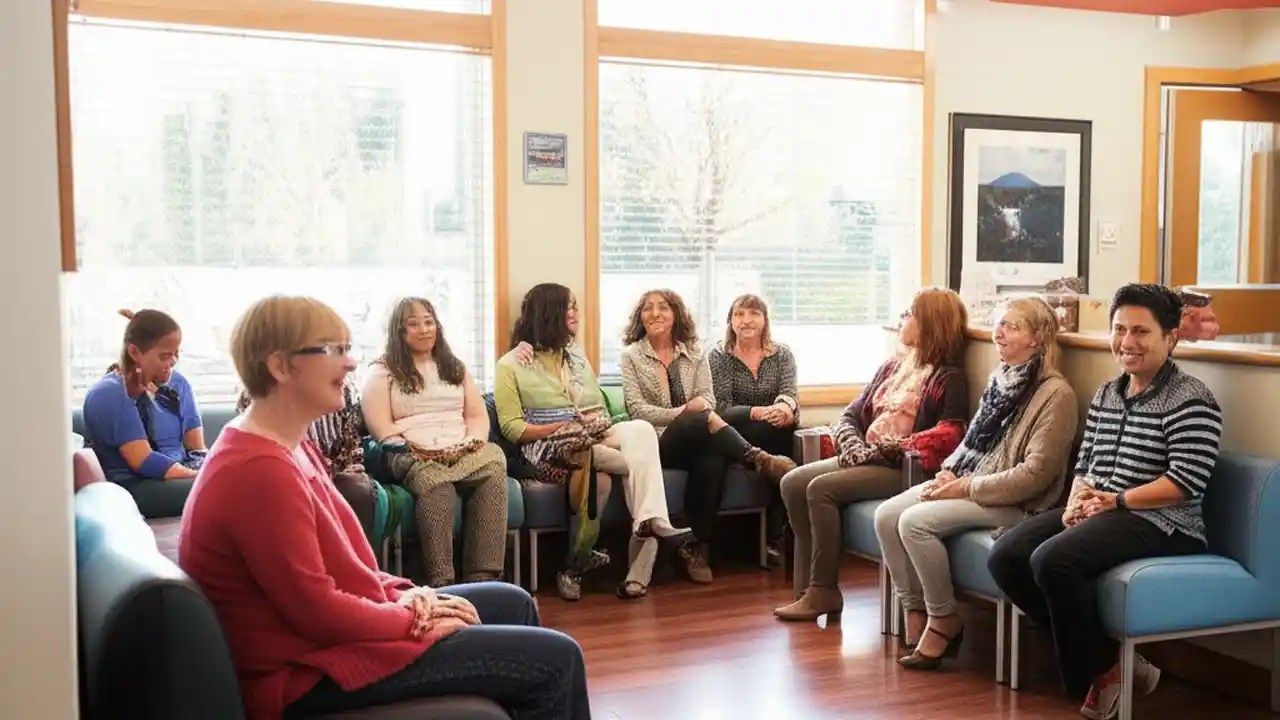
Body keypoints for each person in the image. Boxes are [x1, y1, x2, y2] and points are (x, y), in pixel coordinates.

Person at [178, 295, 588, 720]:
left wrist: (411, 595)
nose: (351, 363)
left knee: (513, 602)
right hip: (305, 672)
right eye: (332, 350)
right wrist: (410, 621)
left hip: (333, 640)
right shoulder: (257, 470)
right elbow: (317, 610)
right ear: (280, 366)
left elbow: (352, 569)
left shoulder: (292, 444)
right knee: (556, 659)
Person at [987, 284, 1223, 720]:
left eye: (1141, 331)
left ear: (1170, 338)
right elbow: (1088, 460)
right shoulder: (1107, 394)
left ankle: (1093, 677)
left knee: (1053, 560)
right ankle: (1111, 664)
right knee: (1006, 555)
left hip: (1164, 522)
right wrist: (1079, 496)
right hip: (1106, 507)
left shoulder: (1192, 397)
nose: (1126, 342)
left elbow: (1185, 482)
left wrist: (1114, 500)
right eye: (1119, 330)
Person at [873, 296, 1078, 669]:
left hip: (1015, 504)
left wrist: (964, 487)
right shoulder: (999, 379)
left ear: (1037, 338)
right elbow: (972, 443)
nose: (998, 332)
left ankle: (943, 619)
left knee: (914, 523)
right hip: (970, 481)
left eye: (1011, 326)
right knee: (887, 515)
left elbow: (1035, 476)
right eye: (999, 323)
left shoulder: (1056, 395)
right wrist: (951, 471)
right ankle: (914, 609)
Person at [774, 287, 970, 621]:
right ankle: (807, 585)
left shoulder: (948, 377)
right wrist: (852, 446)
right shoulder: (892, 367)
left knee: (820, 489)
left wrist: (890, 448)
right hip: (864, 456)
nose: (902, 319)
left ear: (931, 323)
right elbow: (851, 414)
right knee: (792, 481)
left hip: (901, 468)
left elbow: (951, 432)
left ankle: (823, 590)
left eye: (910, 313)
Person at [495, 283, 691, 601]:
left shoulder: (576, 358)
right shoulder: (511, 365)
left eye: (576, 307)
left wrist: (591, 421)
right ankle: (621, 543)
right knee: (618, 466)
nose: (575, 314)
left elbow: (595, 409)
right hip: (548, 445)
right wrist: (561, 425)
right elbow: (513, 428)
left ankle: (650, 522)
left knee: (640, 430)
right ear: (548, 313)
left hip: (592, 434)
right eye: (568, 307)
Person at [619, 289, 796, 584]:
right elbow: (638, 410)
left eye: (663, 307)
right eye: (648, 309)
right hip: (658, 440)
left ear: (676, 315)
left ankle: (696, 547)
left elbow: (709, 399)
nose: (655, 313)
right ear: (640, 317)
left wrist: (697, 412)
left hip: (699, 436)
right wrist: (684, 412)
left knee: (712, 459)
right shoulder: (632, 357)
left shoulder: (694, 353)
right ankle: (759, 458)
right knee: (700, 419)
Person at [362, 297, 508, 587]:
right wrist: (419, 449)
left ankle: (483, 577)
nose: (424, 329)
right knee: (434, 484)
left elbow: (477, 416)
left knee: (493, 466)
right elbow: (382, 428)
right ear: (399, 331)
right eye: (413, 324)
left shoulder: (454, 367)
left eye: (429, 322)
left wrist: (471, 442)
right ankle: (443, 581)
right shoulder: (383, 370)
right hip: (410, 450)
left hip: (460, 447)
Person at [82, 309, 205, 518]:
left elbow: (197, 448)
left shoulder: (178, 384)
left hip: (180, 474)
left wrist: (211, 467)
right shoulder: (110, 394)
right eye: (165, 356)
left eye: (177, 353)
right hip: (138, 485)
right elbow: (144, 462)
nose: (173, 361)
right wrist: (200, 476)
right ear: (134, 352)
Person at [707, 293, 801, 562]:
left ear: (764, 320)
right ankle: (775, 534)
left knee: (787, 433)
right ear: (730, 321)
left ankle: (781, 533)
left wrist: (784, 408)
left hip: (775, 426)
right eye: (739, 314)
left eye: (754, 314)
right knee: (773, 438)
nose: (746, 320)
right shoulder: (719, 355)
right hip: (734, 430)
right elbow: (721, 407)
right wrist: (759, 412)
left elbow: (789, 392)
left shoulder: (781, 353)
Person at [236, 377, 381, 546]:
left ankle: (359, 561)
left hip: (335, 475)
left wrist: (345, 467)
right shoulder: (258, 395)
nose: (349, 363)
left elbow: (351, 442)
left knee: (358, 491)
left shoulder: (343, 387)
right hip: (285, 479)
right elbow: (268, 459)